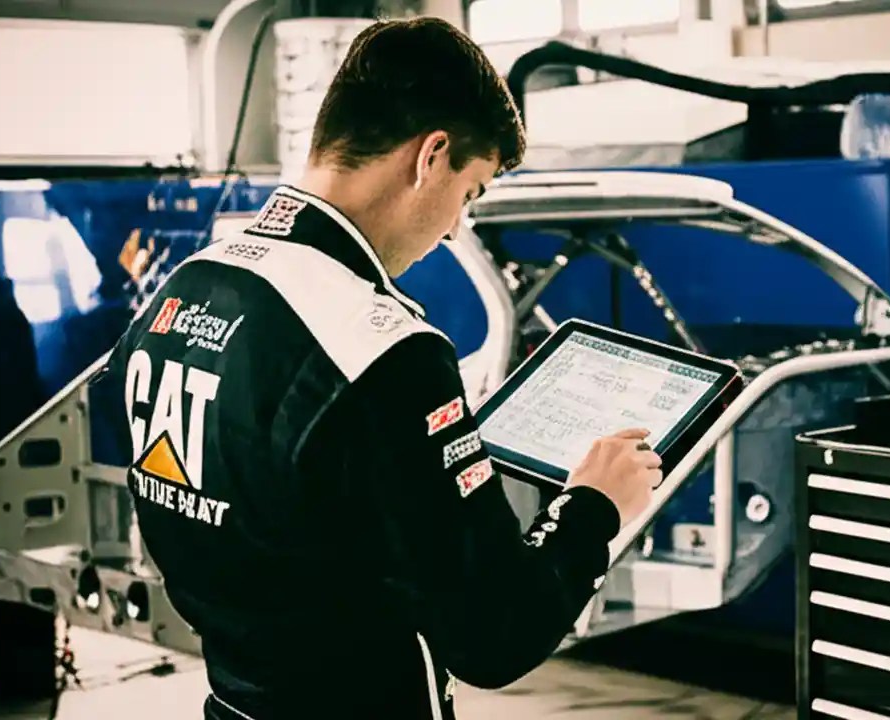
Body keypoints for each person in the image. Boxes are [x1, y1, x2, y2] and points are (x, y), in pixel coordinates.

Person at [96, 16, 662, 720]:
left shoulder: (184, 289)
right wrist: (593, 507)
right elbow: (495, 636)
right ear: (431, 156)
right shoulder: (383, 348)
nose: (456, 226)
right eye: (472, 192)